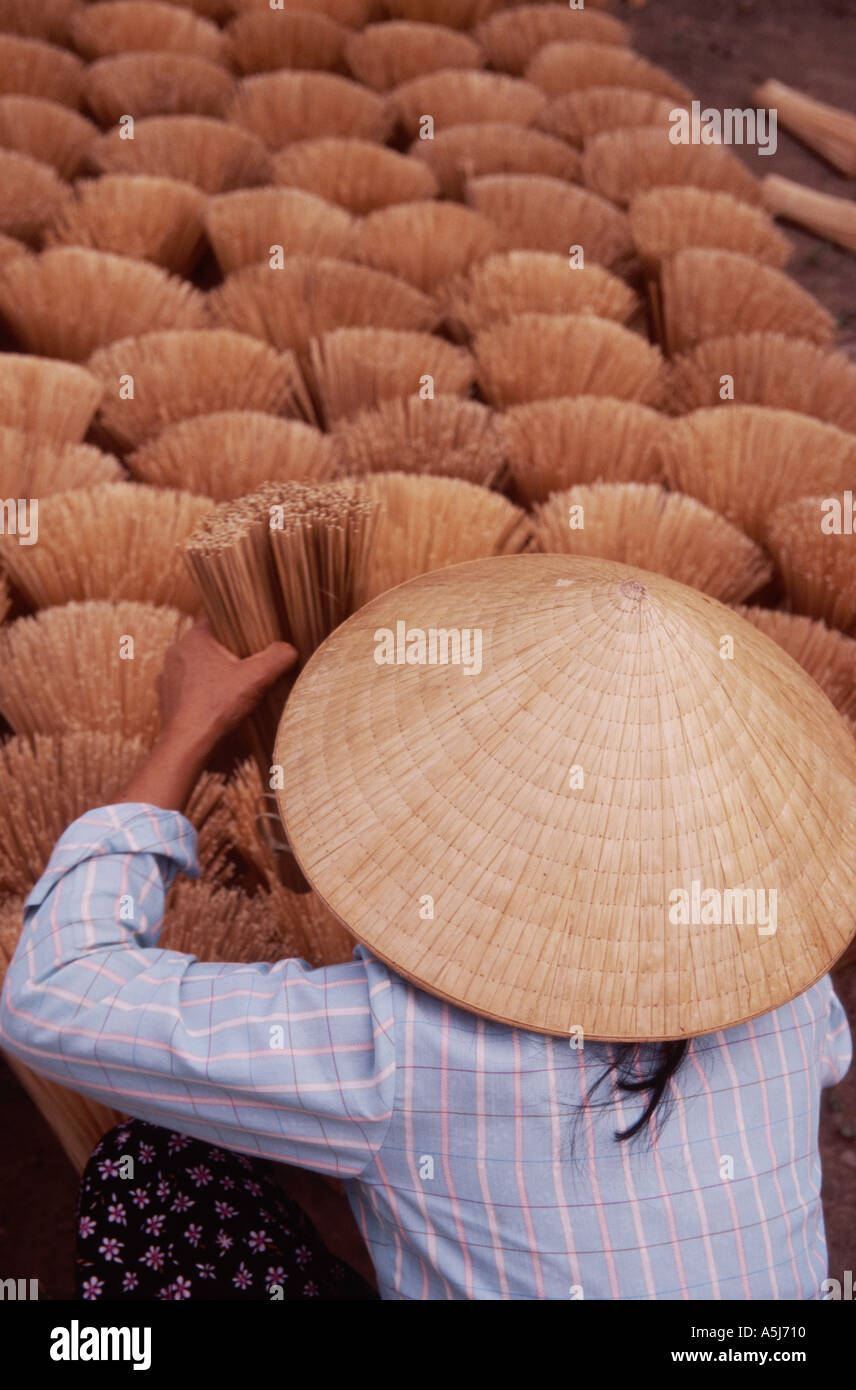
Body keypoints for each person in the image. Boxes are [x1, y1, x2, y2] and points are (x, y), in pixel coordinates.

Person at [1, 558, 853, 1301]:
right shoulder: (787, 983)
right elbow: (824, 1056)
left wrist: (186, 731)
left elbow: (51, 995)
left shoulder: (394, 1043)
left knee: (146, 1181)